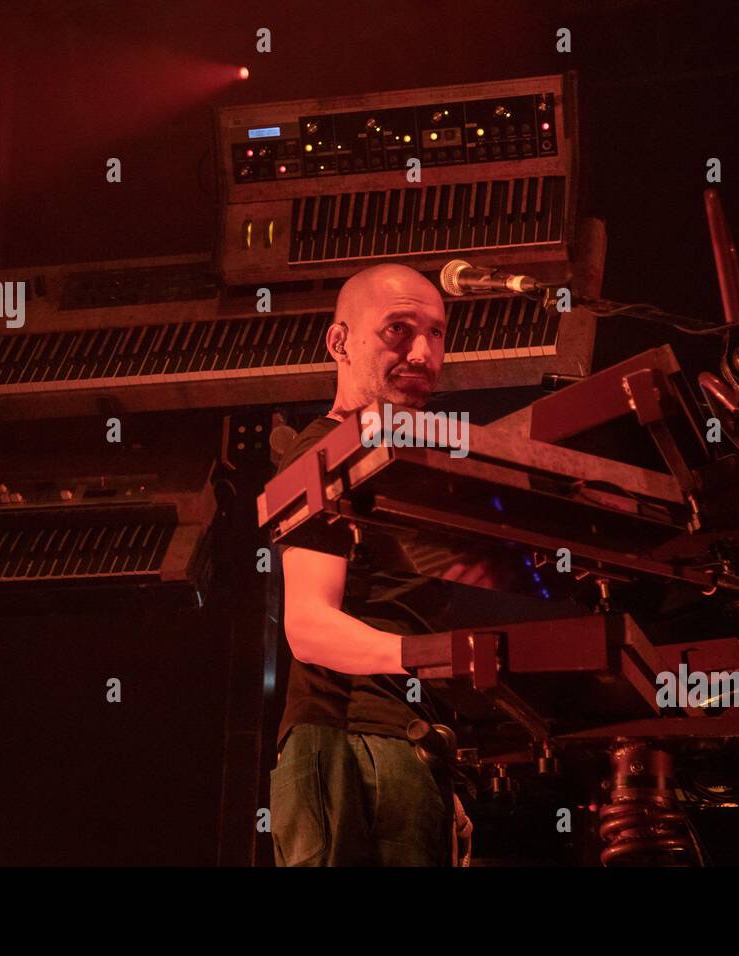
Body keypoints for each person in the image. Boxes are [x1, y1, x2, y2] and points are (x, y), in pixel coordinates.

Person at [268, 263, 479, 867]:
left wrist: (440, 776)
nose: (422, 351)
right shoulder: (323, 453)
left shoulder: (396, 459)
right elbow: (309, 628)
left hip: (403, 744)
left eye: (436, 333)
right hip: (347, 739)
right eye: (398, 330)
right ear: (339, 343)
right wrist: (445, 659)